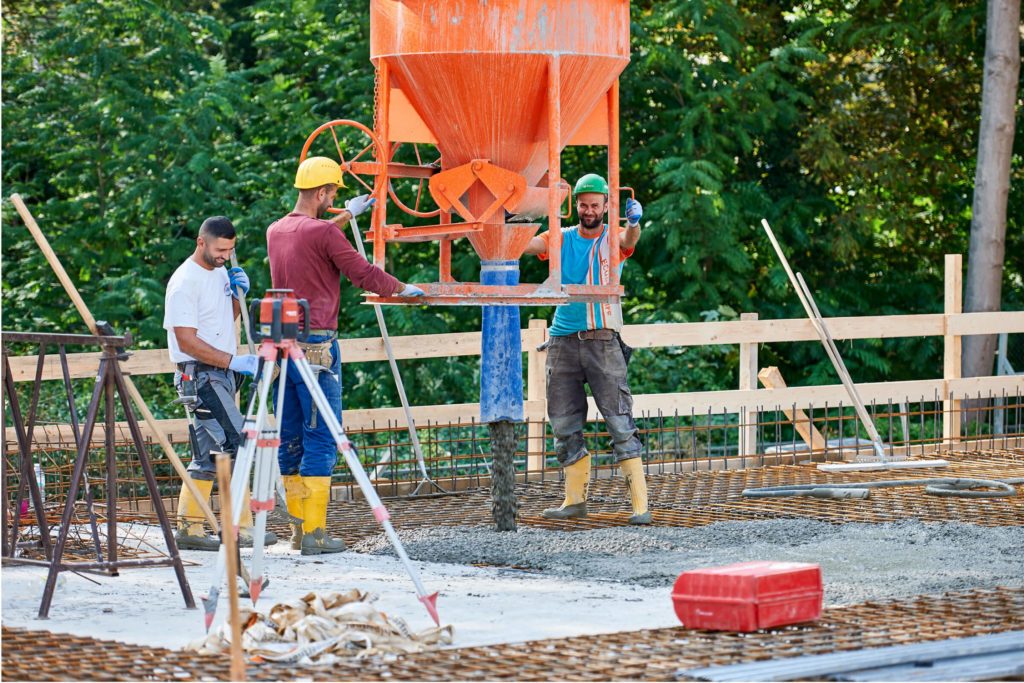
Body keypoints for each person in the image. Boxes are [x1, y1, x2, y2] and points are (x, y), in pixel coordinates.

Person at [266, 156, 425, 555]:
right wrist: (402, 288)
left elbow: (313, 237)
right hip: (318, 350)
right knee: (322, 437)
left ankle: (299, 532)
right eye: (333, 194)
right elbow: (363, 273)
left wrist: (343, 218)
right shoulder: (322, 234)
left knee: (290, 438)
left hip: (282, 351)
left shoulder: (277, 230)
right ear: (321, 193)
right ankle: (317, 536)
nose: (335, 199)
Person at [522, 173, 651, 525]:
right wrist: (511, 226)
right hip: (563, 340)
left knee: (619, 419)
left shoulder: (613, 240)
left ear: (607, 206)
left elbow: (629, 238)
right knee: (564, 421)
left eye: (595, 205)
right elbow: (530, 246)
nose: (589, 210)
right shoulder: (561, 239)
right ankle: (574, 501)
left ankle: (640, 505)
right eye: (583, 205)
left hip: (603, 339)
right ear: (575, 206)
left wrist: (635, 223)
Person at [163, 216, 278, 550]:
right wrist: (232, 361)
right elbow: (185, 340)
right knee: (238, 443)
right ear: (201, 242)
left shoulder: (217, 273)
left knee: (207, 456)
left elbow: (218, 322)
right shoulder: (185, 282)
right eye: (219, 249)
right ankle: (239, 528)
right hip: (200, 375)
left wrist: (236, 297)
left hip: (220, 374)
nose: (225, 256)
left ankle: (190, 529)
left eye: (230, 249)